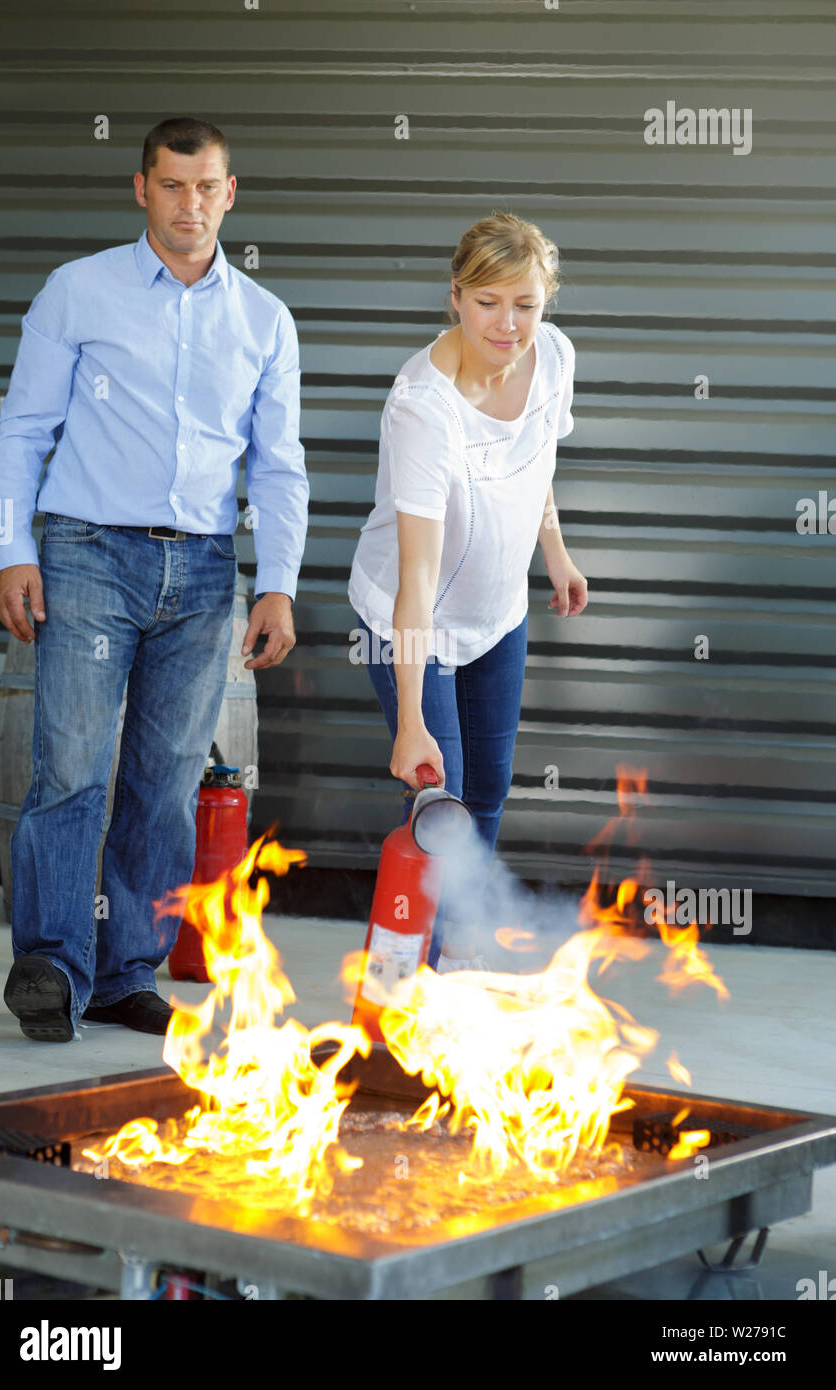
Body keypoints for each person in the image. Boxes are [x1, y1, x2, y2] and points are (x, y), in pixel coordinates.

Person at [0, 116, 308, 1041]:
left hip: (205, 567)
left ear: (230, 193)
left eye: (206, 187)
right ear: (141, 190)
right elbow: (22, 432)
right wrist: (12, 550)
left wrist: (277, 581)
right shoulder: (77, 292)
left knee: (164, 780)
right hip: (87, 551)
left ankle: (129, 972)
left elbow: (279, 465)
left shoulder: (264, 320)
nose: (189, 205)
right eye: (172, 186)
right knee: (72, 769)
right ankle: (50, 964)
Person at [348, 213, 587, 971]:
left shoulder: (552, 356)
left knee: (487, 791)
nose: (508, 324)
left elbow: (539, 459)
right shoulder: (424, 407)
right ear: (456, 297)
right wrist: (410, 719)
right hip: (417, 622)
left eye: (526, 303)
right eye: (489, 302)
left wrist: (555, 552)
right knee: (441, 810)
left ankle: (458, 957)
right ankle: (412, 976)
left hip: (499, 615)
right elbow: (417, 577)